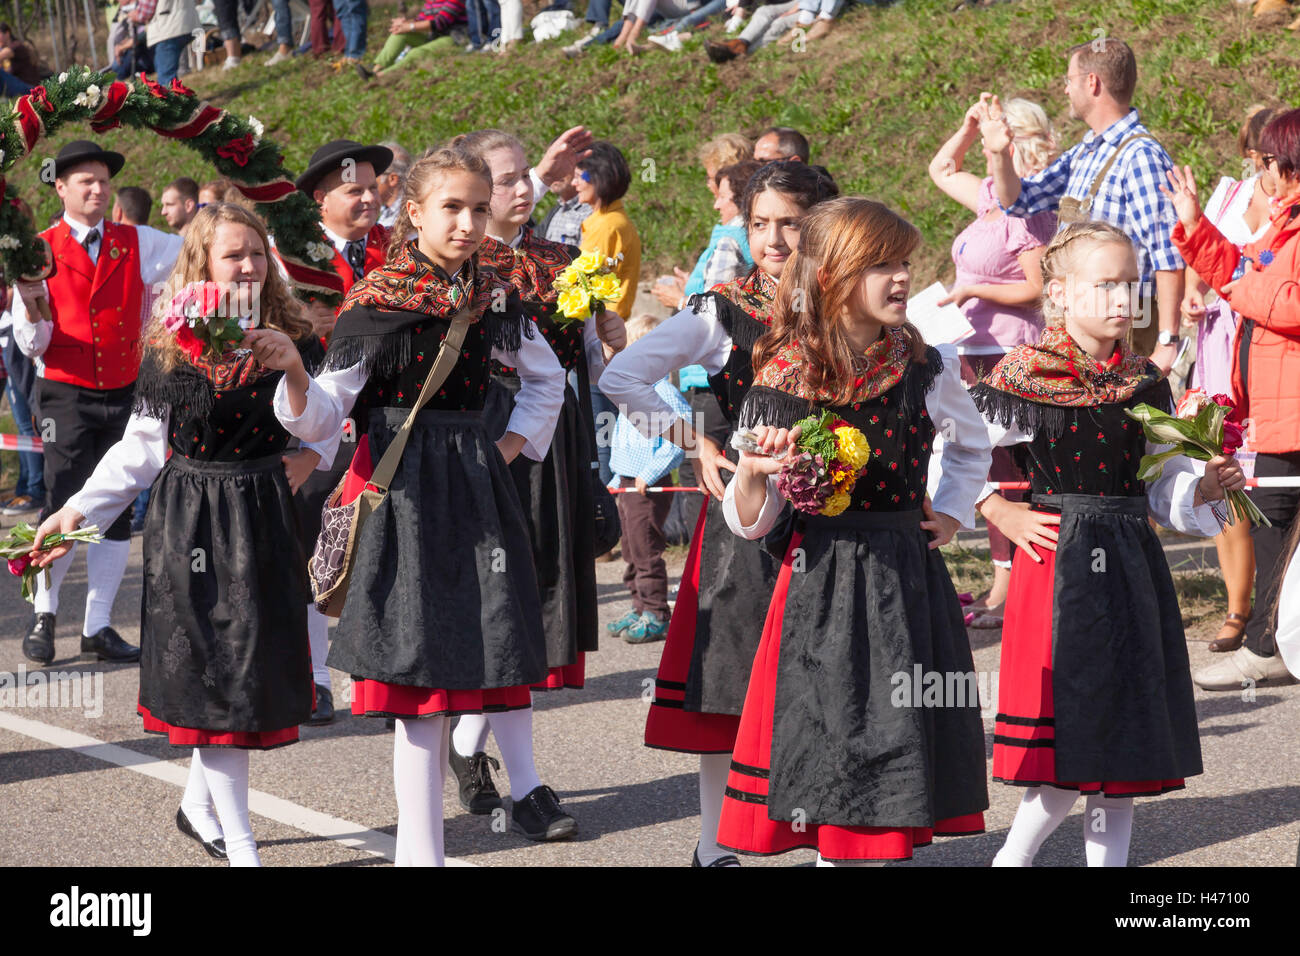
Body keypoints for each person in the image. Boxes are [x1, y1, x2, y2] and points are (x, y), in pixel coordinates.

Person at [272, 147, 566, 866]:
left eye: (476, 207)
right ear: (415, 212)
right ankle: (420, 852)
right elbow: (328, 410)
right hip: (400, 491)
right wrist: (293, 379)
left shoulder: (495, 295)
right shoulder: (377, 299)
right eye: (451, 208)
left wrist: (503, 450)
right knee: (414, 678)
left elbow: (546, 377)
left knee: (481, 647)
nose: (468, 222)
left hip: (474, 488)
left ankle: (490, 800)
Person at [29, 203, 335, 867]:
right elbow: (138, 451)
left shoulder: (293, 336)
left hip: (261, 514)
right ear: (202, 264)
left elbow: (326, 427)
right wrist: (75, 513)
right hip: (191, 516)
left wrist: (293, 372)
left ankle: (199, 807)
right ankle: (243, 843)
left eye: (256, 252)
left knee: (245, 669)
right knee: (215, 672)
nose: (249, 265)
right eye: (233, 255)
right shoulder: (169, 348)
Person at [720, 197, 992, 865]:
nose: (901, 277)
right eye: (880, 265)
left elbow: (971, 441)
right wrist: (754, 473)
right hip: (823, 582)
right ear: (832, 275)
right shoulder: (784, 379)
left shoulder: (921, 364)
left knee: (894, 742)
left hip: (907, 572)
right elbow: (748, 522)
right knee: (834, 740)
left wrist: (953, 509)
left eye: (903, 261)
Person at [969, 221, 1239, 866]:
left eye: (1130, 284)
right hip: (1057, 562)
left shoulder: (1145, 380)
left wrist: (1201, 487)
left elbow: (1160, 481)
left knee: (1121, 747)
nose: (1123, 299)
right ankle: (1011, 861)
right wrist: (999, 511)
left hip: (1130, 560)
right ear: (1059, 292)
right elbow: (955, 452)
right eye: (1105, 285)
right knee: (1070, 745)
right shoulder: (1023, 374)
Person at [599, 160, 837, 866]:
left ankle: (833, 842)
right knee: (725, 688)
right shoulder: (721, 308)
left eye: (789, 222)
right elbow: (624, 375)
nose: (771, 238)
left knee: (825, 681)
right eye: (758, 223)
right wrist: (692, 441)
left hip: (830, 523)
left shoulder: (849, 304)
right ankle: (713, 847)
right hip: (742, 519)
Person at [445, 128, 625, 835]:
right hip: (489, 431)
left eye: (526, 176)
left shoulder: (560, 255)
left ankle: (467, 747)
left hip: (559, 430)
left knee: (540, 594)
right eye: (506, 178)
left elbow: (590, 361)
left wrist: (608, 333)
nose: (521, 188)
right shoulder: (461, 261)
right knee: (501, 598)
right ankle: (522, 784)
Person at [12, 140, 182, 666]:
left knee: (114, 506)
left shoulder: (138, 241)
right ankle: (45, 613)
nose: (97, 188)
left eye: (103, 181)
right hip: (64, 390)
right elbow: (29, 343)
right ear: (60, 188)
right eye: (85, 180)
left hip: (127, 388)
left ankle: (98, 624)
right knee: (63, 496)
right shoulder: (37, 249)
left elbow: (195, 250)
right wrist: (37, 316)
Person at [1166, 107, 1300, 692]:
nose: (1261, 171)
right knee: (1272, 522)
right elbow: (1242, 274)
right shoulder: (1283, 221)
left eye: (1267, 159)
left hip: (1291, 406)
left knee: (1271, 522)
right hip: (1279, 405)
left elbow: (1288, 302)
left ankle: (1264, 648)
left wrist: (1240, 285)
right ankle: (1266, 644)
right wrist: (1195, 226)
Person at [928, 94, 1058, 627]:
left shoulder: (1028, 212)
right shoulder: (987, 201)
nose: (983, 151)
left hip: (1011, 352)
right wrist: (966, 125)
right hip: (973, 351)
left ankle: (1012, 587)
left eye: (991, 143)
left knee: (1006, 472)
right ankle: (1003, 581)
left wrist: (971, 289)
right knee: (985, 466)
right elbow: (940, 169)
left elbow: (1035, 289)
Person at [982, 38, 1184, 371]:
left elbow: (1168, 252)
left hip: (1124, 329)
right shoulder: (1088, 149)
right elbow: (1019, 200)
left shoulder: (1140, 156)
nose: (1065, 90)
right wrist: (1001, 153)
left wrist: (1167, 341)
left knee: (1122, 422)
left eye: (1070, 80)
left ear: (1092, 83)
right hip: (1082, 323)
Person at [283, 138, 394, 725]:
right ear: (320, 199)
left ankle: (376, 670)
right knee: (310, 546)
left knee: (378, 544)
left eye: (374, 188)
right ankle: (316, 676)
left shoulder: (398, 252)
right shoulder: (288, 260)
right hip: (313, 425)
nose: (370, 199)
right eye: (355, 190)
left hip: (385, 423)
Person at [1178, 106, 1276, 653]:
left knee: (1270, 477)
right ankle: (1236, 608)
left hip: (1266, 341)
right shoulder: (1229, 196)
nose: (1263, 164)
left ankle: (1271, 606)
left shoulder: (1292, 201)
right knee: (1219, 465)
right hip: (1219, 341)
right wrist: (1194, 294)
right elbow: (1198, 254)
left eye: (1270, 156)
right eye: (1255, 153)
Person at [608, 313, 687, 642]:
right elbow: (625, 440)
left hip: (647, 486)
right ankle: (639, 606)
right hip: (626, 483)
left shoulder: (662, 393)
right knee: (629, 548)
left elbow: (682, 437)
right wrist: (617, 475)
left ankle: (656, 612)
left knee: (646, 549)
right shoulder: (631, 391)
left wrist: (647, 473)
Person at [372, 0, 466, 75]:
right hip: (434, 37)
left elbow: (439, 23)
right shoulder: (431, 2)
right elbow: (420, 20)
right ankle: (377, 68)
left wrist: (410, 26)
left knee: (416, 52)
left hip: (454, 38)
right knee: (398, 34)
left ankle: (384, 75)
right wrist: (403, 23)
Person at [705, 6, 801, 63]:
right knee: (763, 10)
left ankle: (739, 51)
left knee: (780, 23)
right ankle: (740, 42)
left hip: (812, 8)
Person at [138, 0, 199, 87]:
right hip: (185, 20)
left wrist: (134, 15)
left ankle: (174, 99)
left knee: (166, 80)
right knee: (168, 76)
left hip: (168, 27)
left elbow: (145, 12)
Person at [376, 142, 412, 228]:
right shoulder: (384, 210)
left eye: (375, 174)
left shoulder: (407, 216)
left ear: (392, 179)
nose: (368, 180)